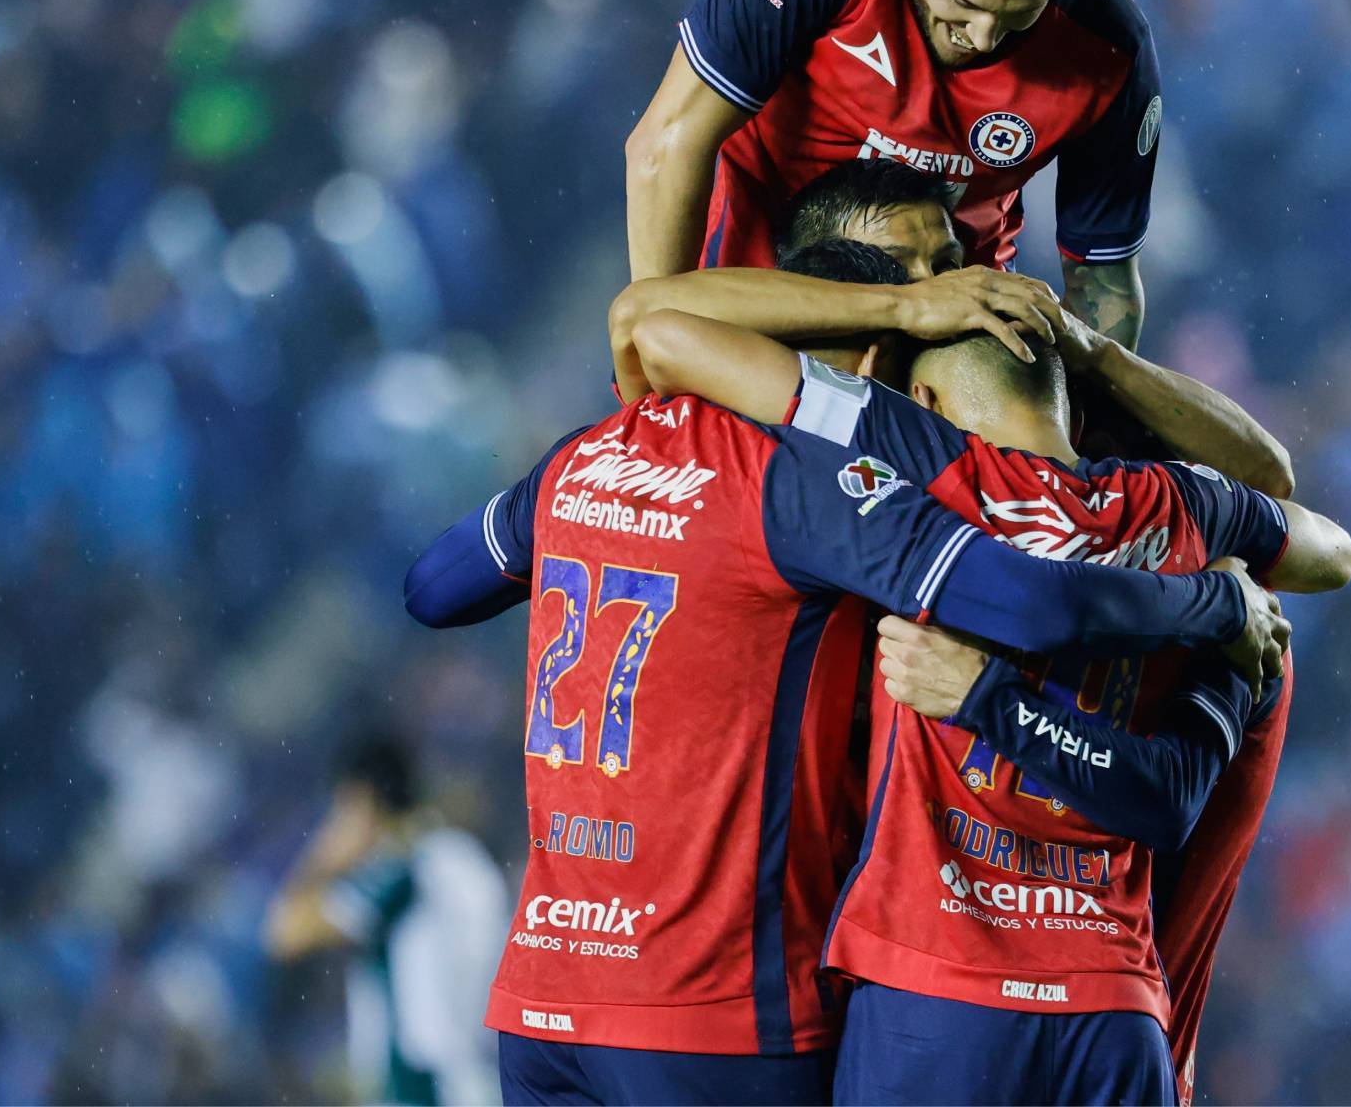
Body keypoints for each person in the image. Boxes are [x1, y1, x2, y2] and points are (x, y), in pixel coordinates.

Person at [402, 242, 1290, 1106]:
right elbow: (1036, 604)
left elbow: (434, 590)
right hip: (709, 1009)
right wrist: (1215, 604)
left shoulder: (576, 461)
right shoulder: (812, 487)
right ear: (867, 366)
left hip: (545, 999)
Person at [624, 314, 1351, 1105]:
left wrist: (914, 308)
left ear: (927, 395)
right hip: (1111, 1004)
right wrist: (1101, 359)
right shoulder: (1193, 512)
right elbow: (1332, 551)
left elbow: (663, 334)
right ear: (1069, 405)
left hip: (936, 994)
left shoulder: (922, 462)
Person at [627, 0, 1166, 347]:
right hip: (763, 266)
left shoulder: (1111, 49)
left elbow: (1105, 282)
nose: (981, 38)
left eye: (1017, 13)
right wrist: (657, 350)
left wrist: (1088, 424)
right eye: (960, 3)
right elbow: (669, 142)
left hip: (954, 301)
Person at [611, 158, 1294, 497]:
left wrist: (1093, 353)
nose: (939, 287)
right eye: (892, 266)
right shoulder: (760, 389)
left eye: (946, 263)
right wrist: (904, 307)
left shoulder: (1000, 386)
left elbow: (1267, 475)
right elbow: (640, 315)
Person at [264, 735, 510, 1106]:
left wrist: (325, 855)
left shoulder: (403, 868)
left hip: (422, 1086)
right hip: (475, 1075)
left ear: (361, 800)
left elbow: (284, 934)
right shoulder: (459, 856)